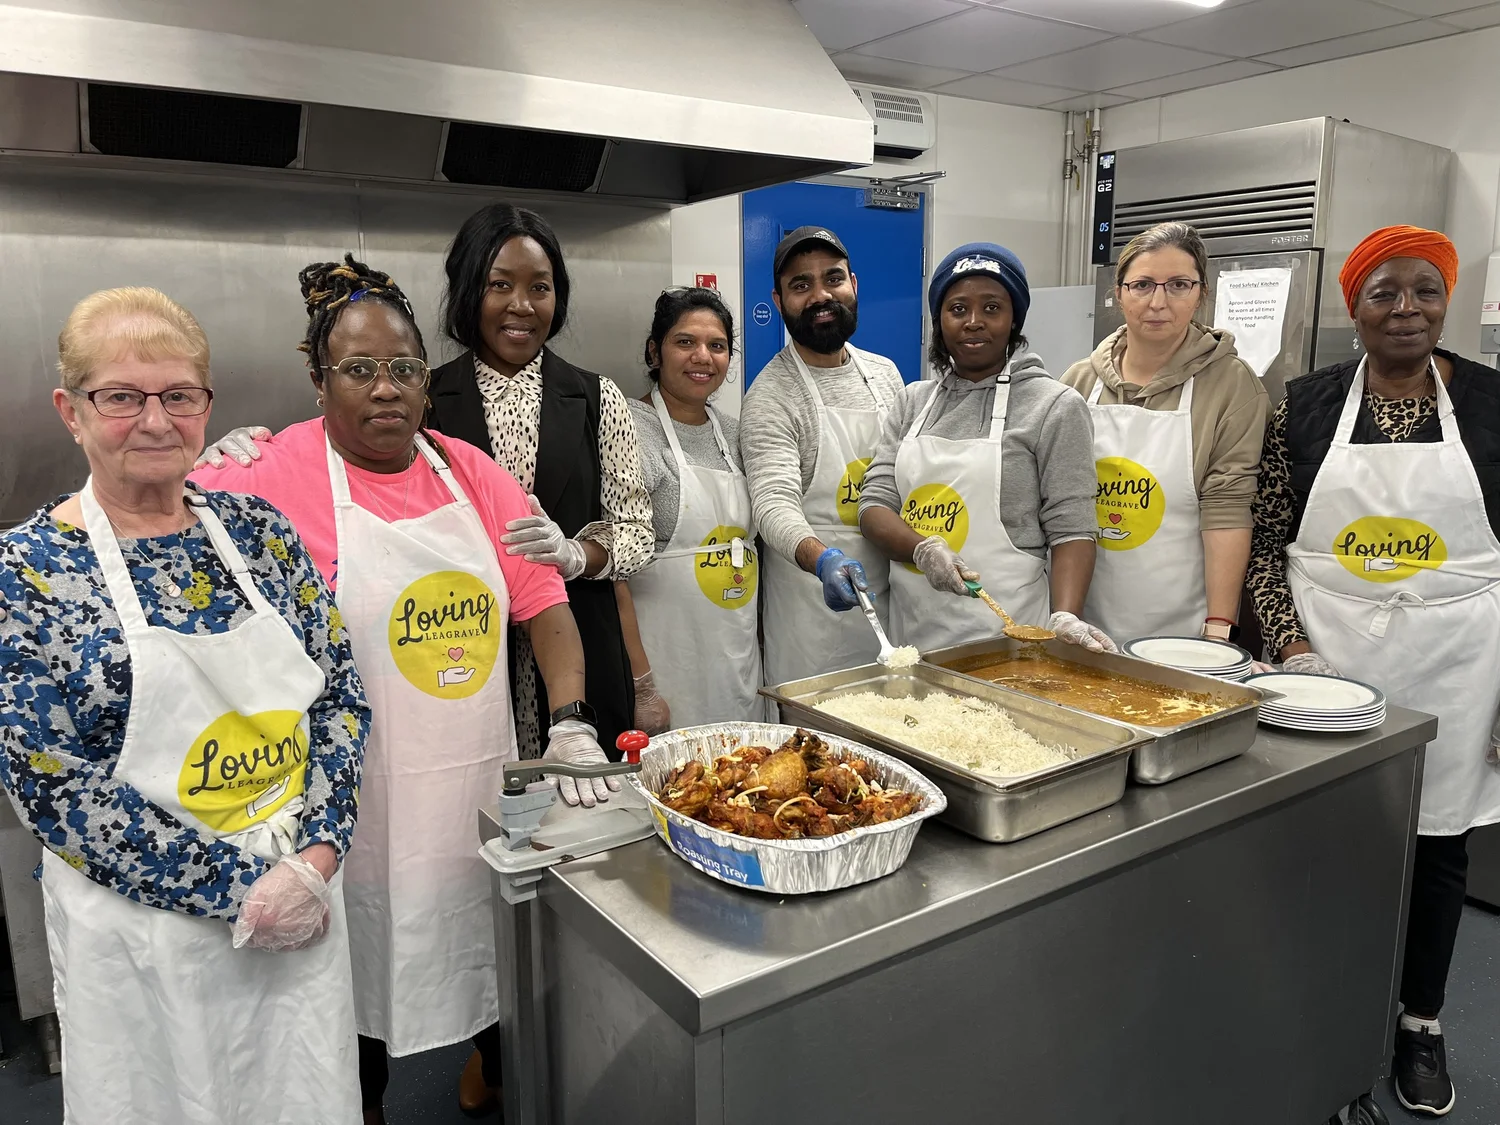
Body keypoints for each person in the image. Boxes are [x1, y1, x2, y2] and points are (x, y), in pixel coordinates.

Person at [192, 256, 614, 1122]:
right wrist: (196, 471)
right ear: (317, 380)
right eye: (358, 369)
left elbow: (544, 604)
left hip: (471, 789)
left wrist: (571, 721)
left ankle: (503, 1080)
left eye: (404, 368)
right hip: (344, 803)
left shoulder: (471, 471)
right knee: (349, 991)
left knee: (491, 958)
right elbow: (155, 531)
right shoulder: (269, 471)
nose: (386, 389)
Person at [0, 287, 369, 1124]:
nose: (155, 420)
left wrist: (317, 853)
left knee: (304, 1094)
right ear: (70, 409)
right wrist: (241, 890)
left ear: (207, 404)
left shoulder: (260, 533)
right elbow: (52, 787)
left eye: (178, 395)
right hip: (147, 938)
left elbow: (341, 694)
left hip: (301, 892)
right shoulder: (26, 572)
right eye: (121, 396)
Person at [198, 204, 652, 760]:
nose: (522, 304)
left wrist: (575, 555)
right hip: (434, 663)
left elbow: (636, 532)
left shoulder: (595, 398)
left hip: (571, 646)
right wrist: (223, 462)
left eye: (541, 287)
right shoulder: (422, 392)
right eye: (499, 285)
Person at [1247, 225, 1499, 1118]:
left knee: (1437, 850)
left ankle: (1419, 1022)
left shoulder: (1492, 404)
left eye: (1425, 291)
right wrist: (1292, 650)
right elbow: (1265, 546)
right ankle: (1319, 1009)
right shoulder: (1305, 406)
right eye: (1383, 293)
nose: (1405, 310)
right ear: (1354, 307)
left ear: (1446, 301)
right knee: (1325, 844)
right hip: (1333, 661)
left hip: (1460, 662)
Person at [859, 243, 1109, 653]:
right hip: (913, 633)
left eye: (992, 308)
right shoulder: (912, 402)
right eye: (958, 309)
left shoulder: (1054, 405)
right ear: (939, 320)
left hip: (1009, 637)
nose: (974, 322)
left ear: (1014, 320)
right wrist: (921, 549)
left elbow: (1072, 528)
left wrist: (1066, 615)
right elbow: (873, 506)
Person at [1061, 222, 1268, 645]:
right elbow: (1057, 508)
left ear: (1201, 293)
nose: (1158, 302)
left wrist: (1218, 629)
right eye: (1142, 285)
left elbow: (1227, 511)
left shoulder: (1232, 385)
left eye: (1178, 285)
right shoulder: (1079, 382)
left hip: (1182, 628)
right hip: (1084, 619)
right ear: (1119, 293)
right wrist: (1063, 614)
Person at [740, 226, 903, 685]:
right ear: (778, 302)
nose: (820, 296)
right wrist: (823, 559)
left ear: (854, 284)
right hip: (811, 618)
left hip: (892, 605)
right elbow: (773, 504)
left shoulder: (886, 375)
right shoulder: (772, 395)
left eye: (833, 278)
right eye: (801, 285)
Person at [623, 286, 760, 728]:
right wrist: (642, 687)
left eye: (717, 346)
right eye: (685, 342)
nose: (703, 357)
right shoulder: (627, 428)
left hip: (735, 655)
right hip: (665, 660)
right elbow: (611, 574)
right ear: (654, 351)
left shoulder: (736, 433)